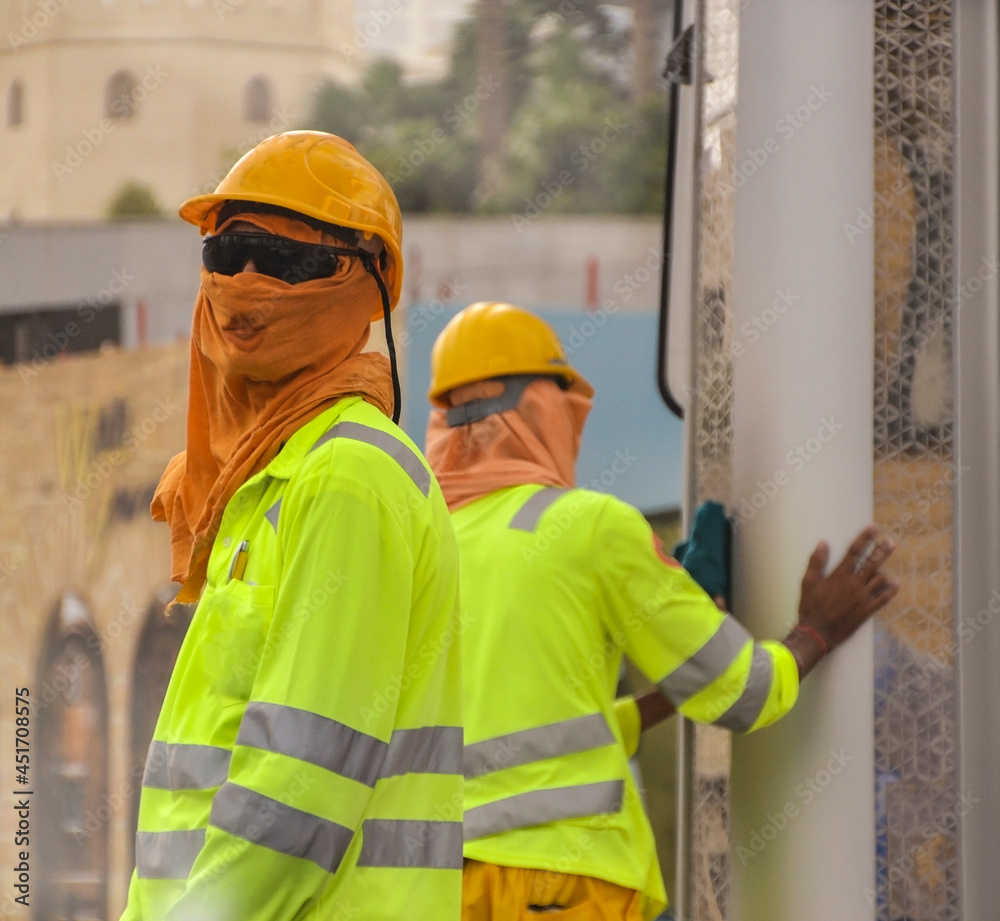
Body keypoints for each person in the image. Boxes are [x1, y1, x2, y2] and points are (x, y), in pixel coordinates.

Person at [423, 301, 900, 921]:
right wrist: (816, 630)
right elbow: (744, 695)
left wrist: (676, 681)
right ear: (547, 410)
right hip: (566, 888)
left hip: (439, 890)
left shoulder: (423, 550)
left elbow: (535, 736)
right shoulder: (588, 526)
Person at [121, 131, 464, 921]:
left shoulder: (348, 478)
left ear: (366, 284)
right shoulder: (268, 480)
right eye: (229, 249)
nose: (246, 281)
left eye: (287, 259)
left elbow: (298, 786)